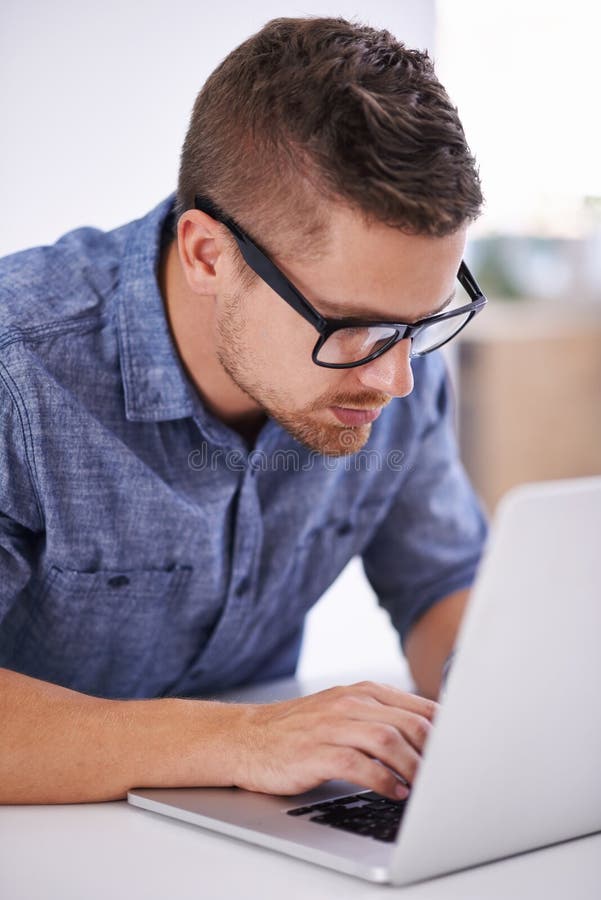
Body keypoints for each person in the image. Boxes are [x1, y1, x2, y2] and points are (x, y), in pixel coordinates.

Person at [0, 16, 487, 805]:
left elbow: (441, 582)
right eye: (353, 325)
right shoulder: (19, 366)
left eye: (419, 323)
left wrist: (499, 713)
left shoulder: (391, 368)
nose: (397, 379)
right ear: (207, 256)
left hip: (248, 833)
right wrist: (245, 739)